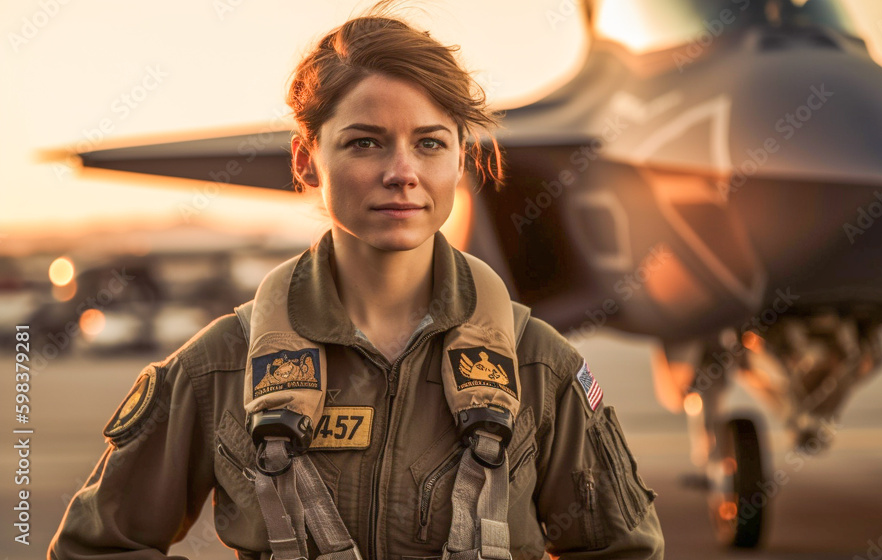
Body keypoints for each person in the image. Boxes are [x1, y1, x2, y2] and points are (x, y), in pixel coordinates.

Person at [49, 9, 665, 560]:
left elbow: (621, 550)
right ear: (303, 160)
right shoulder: (220, 368)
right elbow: (96, 548)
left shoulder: (538, 368)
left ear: (460, 160)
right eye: (365, 142)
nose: (402, 173)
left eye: (429, 144)